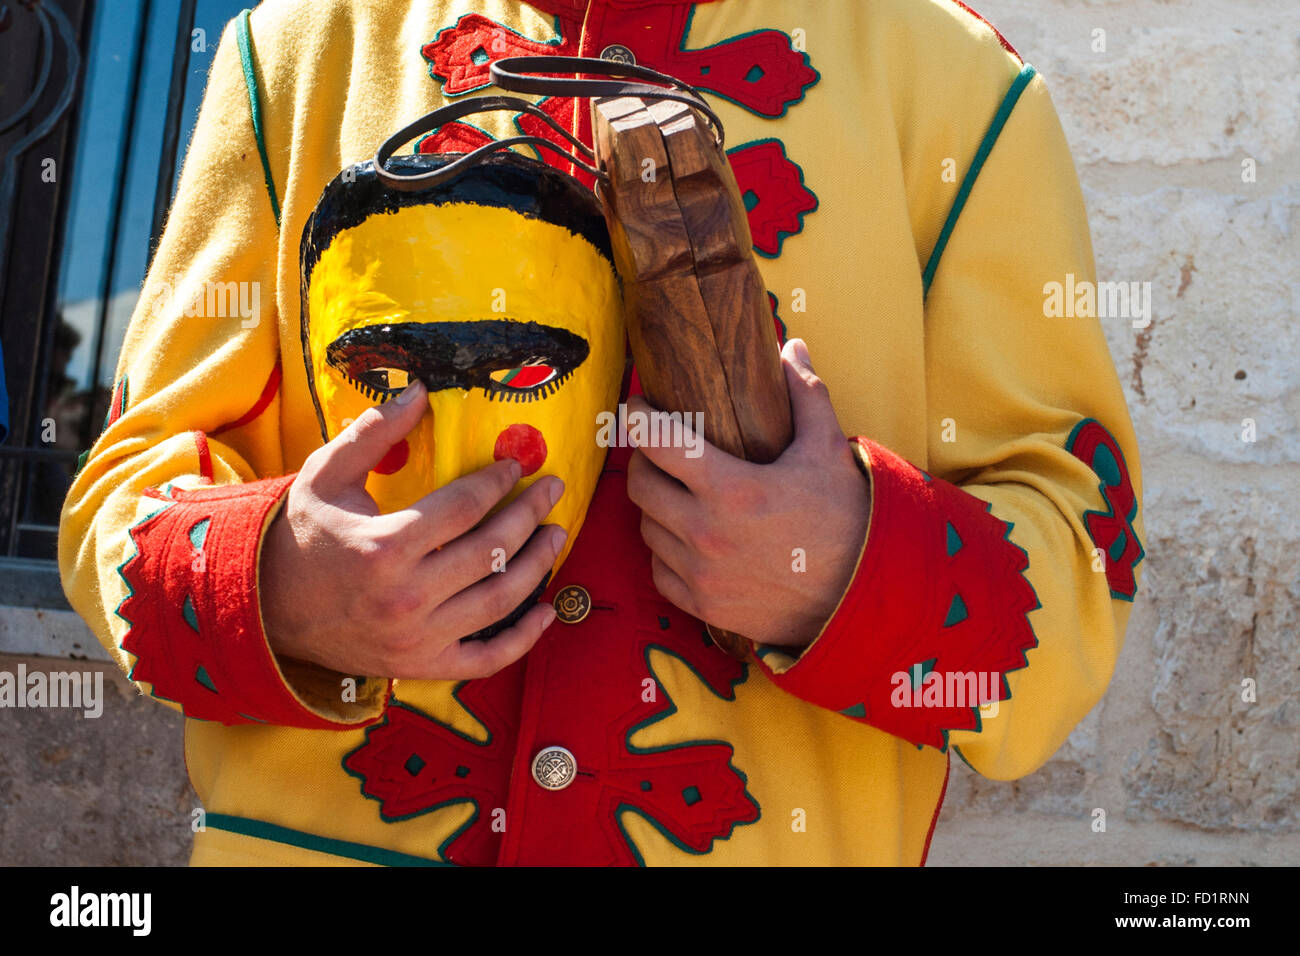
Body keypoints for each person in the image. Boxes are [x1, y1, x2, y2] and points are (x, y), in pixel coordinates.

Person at [58, 0, 1145, 865]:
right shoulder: (295, 48)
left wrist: (839, 568)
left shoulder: (957, 87)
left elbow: (1084, 568)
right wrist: (285, 584)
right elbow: (118, 500)